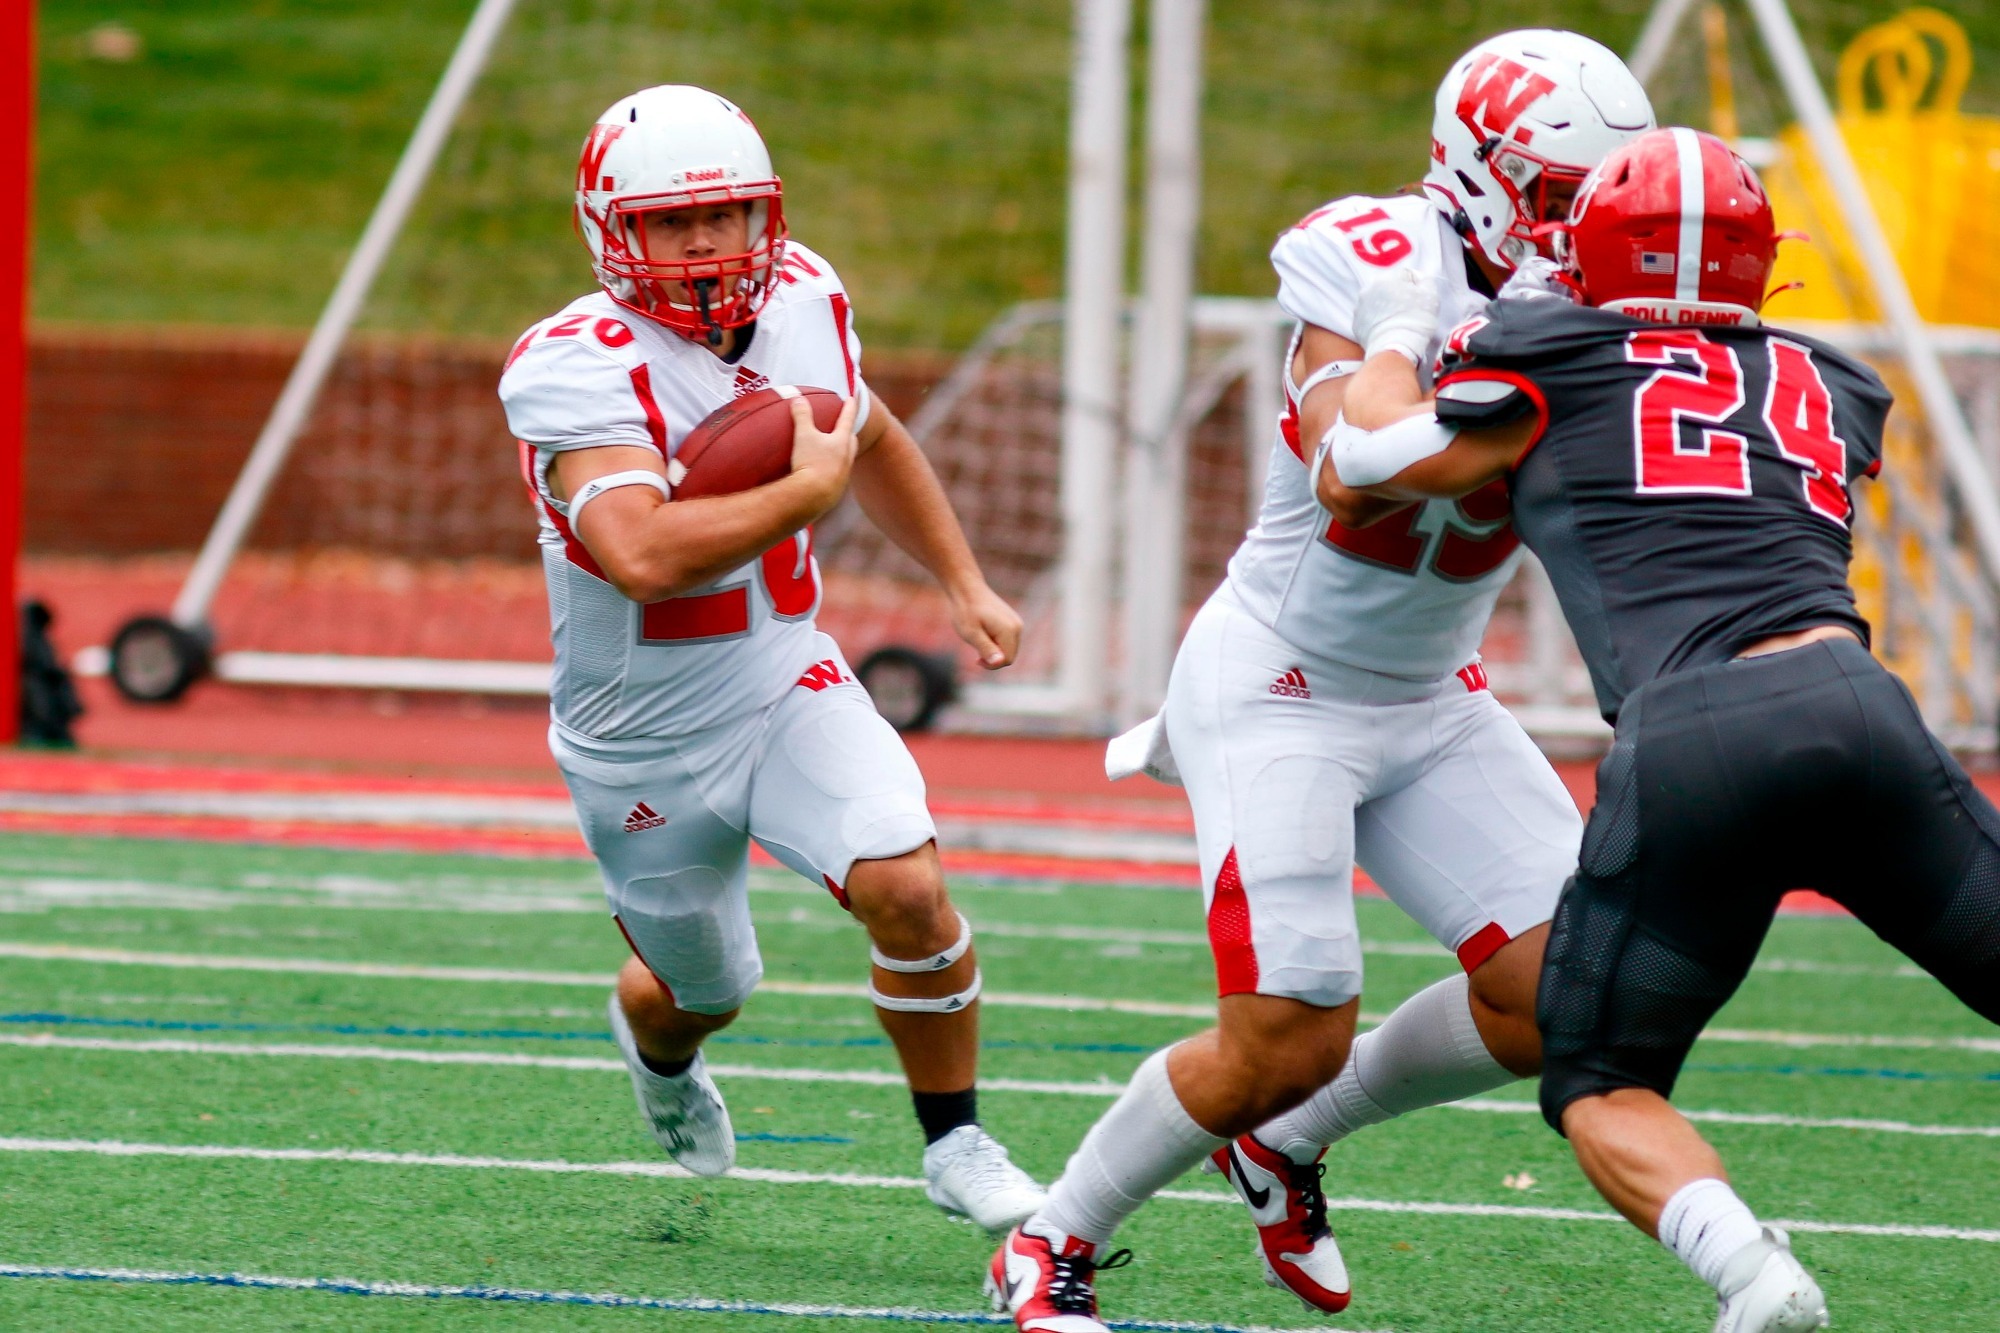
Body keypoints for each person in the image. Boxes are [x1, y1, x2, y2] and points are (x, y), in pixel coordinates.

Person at [987, 31, 1653, 1329]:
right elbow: (1347, 459)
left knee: (1564, 993)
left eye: (1607, 202)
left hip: (1433, 692)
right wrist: (1414, 337)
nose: (1590, 230)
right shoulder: (1380, 257)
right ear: (1482, 172)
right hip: (1281, 679)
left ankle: (1288, 1139)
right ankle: (1050, 1236)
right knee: (1287, 1029)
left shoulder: (1608, 311)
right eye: (1566, 198)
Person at [1319, 126, 2000, 1333]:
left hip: (1693, 740)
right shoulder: (1832, 379)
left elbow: (1368, 456)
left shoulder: (1541, 348)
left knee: (1599, 1079)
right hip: (1857, 709)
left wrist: (1388, 323)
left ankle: (1755, 1276)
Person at [497, 84, 1044, 1232]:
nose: (705, 242)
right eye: (669, 221)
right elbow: (641, 553)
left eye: (730, 214)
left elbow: (872, 430)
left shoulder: (805, 294)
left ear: (768, 217)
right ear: (612, 230)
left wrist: (961, 578)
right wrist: (803, 490)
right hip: (637, 740)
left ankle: (957, 1141)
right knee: (701, 993)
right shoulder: (574, 364)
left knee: (903, 878)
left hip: (779, 675)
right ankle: (660, 1057)